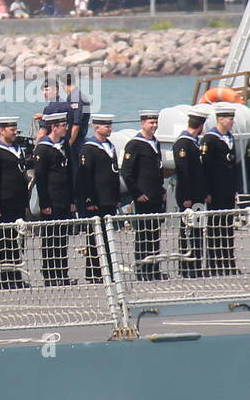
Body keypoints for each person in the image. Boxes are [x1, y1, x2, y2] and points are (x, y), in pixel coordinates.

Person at [0, 115, 29, 290]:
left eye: (15, 129)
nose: (15, 133)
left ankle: (16, 276)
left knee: (17, 241)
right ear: (1, 130)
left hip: (17, 202)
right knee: (4, 242)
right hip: (3, 204)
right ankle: (5, 278)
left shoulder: (17, 149)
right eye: (11, 130)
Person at [77, 113, 120, 284]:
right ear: (96, 127)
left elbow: (114, 173)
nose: (109, 129)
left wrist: (116, 197)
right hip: (97, 200)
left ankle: (107, 270)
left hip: (109, 198)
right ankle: (94, 272)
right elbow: (85, 177)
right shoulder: (89, 148)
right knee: (95, 239)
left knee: (108, 237)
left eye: (110, 125)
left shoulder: (109, 146)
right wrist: (89, 200)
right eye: (106, 126)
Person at [122, 111, 165, 281]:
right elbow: (127, 173)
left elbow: (158, 169)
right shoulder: (134, 144)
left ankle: (154, 269)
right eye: (150, 123)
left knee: (155, 234)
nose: (153, 126)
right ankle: (142, 270)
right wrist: (137, 193)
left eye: (155, 122)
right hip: (143, 197)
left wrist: (161, 190)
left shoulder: (156, 143)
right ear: (142, 124)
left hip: (155, 196)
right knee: (143, 235)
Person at [32, 112, 74, 285]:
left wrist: (72, 200)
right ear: (54, 127)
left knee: (62, 238)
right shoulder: (43, 148)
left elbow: (70, 174)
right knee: (50, 238)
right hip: (51, 199)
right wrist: (44, 203)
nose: (66, 128)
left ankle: (62, 273)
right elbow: (40, 178)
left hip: (64, 199)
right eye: (63, 125)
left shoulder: (65, 147)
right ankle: (50, 274)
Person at [201, 107, 242, 275]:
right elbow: (205, 168)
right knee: (214, 227)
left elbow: (232, 166)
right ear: (220, 119)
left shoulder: (229, 138)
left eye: (232, 118)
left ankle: (228, 261)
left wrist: (235, 189)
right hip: (215, 191)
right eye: (229, 118)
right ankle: (214, 263)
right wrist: (206, 191)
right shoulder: (210, 139)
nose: (232, 121)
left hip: (227, 190)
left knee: (227, 227)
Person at [172, 112, 208, 278]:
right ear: (200, 126)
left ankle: (196, 264)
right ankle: (187, 266)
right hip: (188, 197)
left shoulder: (194, 143)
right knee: (187, 231)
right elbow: (183, 171)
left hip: (198, 196)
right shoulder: (183, 143)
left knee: (197, 230)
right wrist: (185, 197)